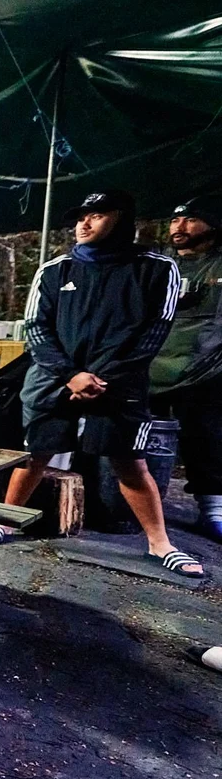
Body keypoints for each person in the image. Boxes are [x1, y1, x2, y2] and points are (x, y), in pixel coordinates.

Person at [0, 190, 204, 580]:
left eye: (96, 215)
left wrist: (104, 378)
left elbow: (154, 331)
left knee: (130, 463)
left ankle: (160, 543)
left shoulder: (156, 268)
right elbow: (36, 330)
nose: (84, 223)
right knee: (35, 455)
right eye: (81, 216)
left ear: (122, 219)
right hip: (55, 380)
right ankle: (6, 520)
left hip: (118, 384)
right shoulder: (56, 270)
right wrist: (70, 375)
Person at [151, 195, 222, 542]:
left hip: (206, 366)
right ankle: (127, 503)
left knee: (205, 437)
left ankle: (214, 510)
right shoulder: (159, 265)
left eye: (191, 219)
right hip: (152, 363)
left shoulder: (218, 267)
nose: (179, 226)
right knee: (137, 438)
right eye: (175, 220)